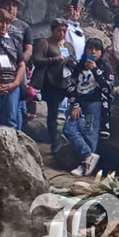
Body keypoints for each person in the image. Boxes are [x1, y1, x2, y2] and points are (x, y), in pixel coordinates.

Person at [65, 38, 114, 177]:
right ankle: (88, 155)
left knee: (90, 133)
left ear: (101, 52)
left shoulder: (105, 67)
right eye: (90, 48)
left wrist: (96, 70)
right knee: (69, 129)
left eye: (97, 49)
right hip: (79, 104)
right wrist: (75, 104)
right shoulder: (79, 66)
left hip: (95, 104)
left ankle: (84, 166)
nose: (93, 52)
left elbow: (108, 88)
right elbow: (70, 86)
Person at [31, 19, 78, 153]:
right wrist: (54, 60)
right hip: (51, 82)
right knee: (53, 112)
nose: (62, 34)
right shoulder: (44, 43)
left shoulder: (68, 45)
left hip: (66, 81)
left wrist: (72, 63)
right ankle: (54, 143)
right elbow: (37, 60)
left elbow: (74, 59)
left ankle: (69, 136)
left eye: (64, 31)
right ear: (52, 30)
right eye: (59, 30)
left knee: (76, 104)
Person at [0, 0, 33, 131]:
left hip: (17, 70)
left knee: (17, 107)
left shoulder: (24, 26)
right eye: (8, 4)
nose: (11, 8)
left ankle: (17, 136)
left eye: (14, 5)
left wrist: (19, 64)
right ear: (1, 6)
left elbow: (29, 49)